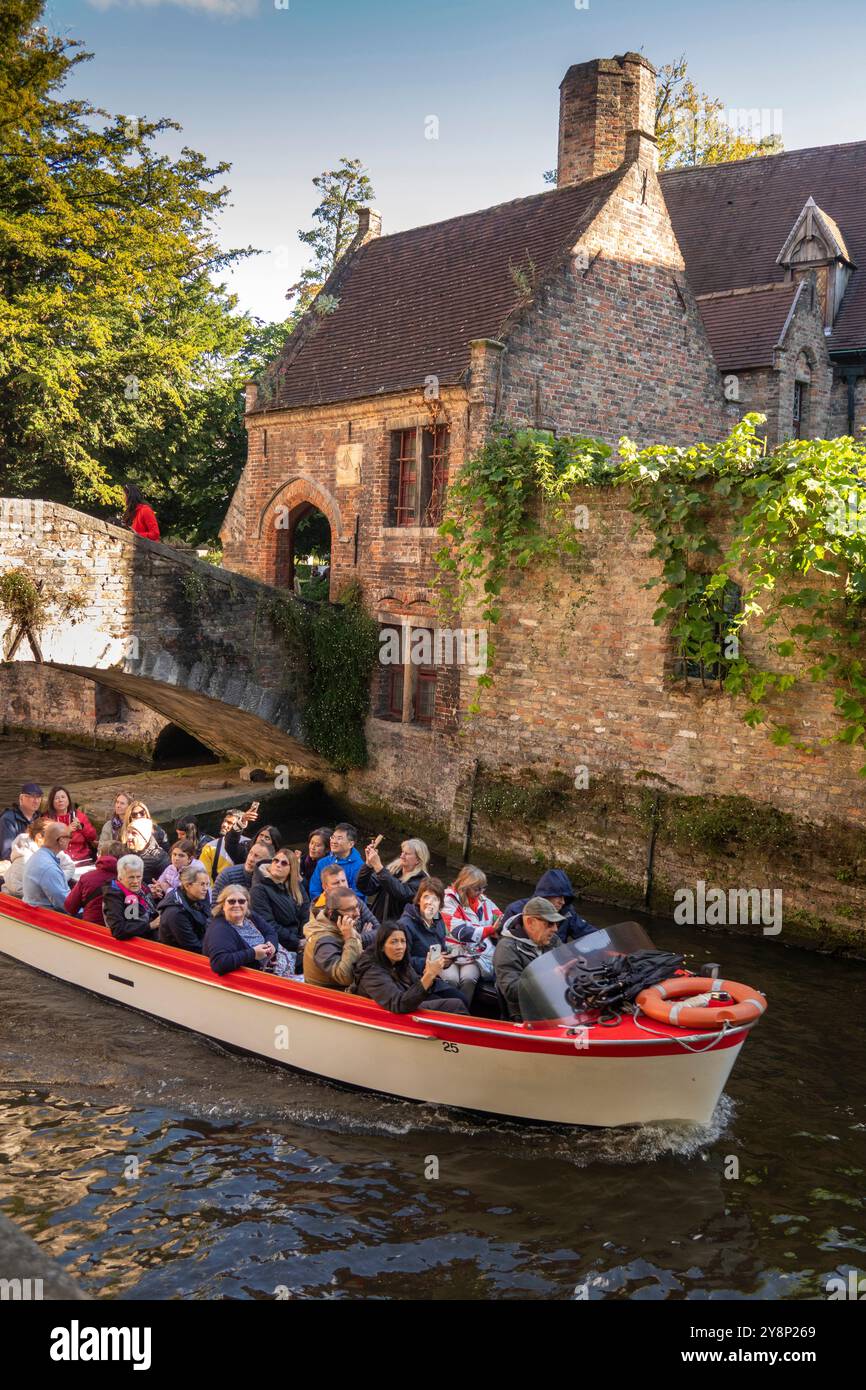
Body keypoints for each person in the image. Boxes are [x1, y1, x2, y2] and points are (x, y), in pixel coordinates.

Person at [353, 922, 469, 1015]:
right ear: (382, 946)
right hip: (394, 1012)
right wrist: (429, 975)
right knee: (455, 1005)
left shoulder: (399, 962)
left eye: (403, 941)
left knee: (457, 997)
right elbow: (398, 1004)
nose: (400, 947)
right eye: (394, 942)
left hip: (408, 1002)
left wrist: (427, 974)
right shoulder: (372, 971)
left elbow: (416, 984)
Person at [493, 896, 564, 1022]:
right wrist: (548, 977)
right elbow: (511, 991)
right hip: (527, 1014)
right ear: (530, 922)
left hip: (557, 1001)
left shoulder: (553, 940)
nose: (555, 929)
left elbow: (567, 961)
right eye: (550, 923)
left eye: (556, 923)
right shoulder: (507, 948)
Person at [441, 865, 503, 1007]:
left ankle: (463, 1012)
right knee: (451, 980)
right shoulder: (448, 901)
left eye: (483, 888)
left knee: (468, 978)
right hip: (449, 952)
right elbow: (461, 932)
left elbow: (500, 918)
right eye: (477, 889)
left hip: (474, 954)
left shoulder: (483, 901)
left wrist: (500, 928)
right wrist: (489, 930)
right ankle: (447, 1011)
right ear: (465, 886)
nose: (481, 892)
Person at [203, 884, 281, 976]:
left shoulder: (250, 916)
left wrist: (271, 945)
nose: (237, 905)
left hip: (277, 965)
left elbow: (271, 932)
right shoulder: (219, 929)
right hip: (255, 978)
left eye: (241, 901)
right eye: (231, 901)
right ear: (223, 905)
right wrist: (253, 953)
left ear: (247, 903)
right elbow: (219, 963)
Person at [500, 868, 594, 944]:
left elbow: (586, 931)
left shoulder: (567, 912)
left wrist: (606, 941)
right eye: (559, 897)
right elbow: (503, 942)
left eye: (565, 897)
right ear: (546, 895)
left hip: (556, 960)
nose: (563, 902)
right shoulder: (515, 910)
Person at [250, 849, 309, 959]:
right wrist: (297, 942)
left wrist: (306, 937)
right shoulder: (259, 889)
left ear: (292, 869)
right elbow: (268, 924)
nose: (278, 865)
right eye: (275, 860)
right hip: (277, 945)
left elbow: (306, 913)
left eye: (284, 863)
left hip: (302, 940)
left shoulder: (297, 886)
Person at [303, 888, 364, 990]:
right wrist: (350, 939)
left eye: (357, 907)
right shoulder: (323, 941)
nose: (357, 913)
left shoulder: (341, 927)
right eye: (349, 909)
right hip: (325, 999)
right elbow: (345, 977)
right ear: (332, 914)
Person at [356, 837, 430, 922]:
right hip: (378, 921)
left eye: (407, 854)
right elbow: (365, 888)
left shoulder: (422, 881)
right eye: (402, 852)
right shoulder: (392, 870)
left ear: (418, 860)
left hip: (398, 928)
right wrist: (368, 865)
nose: (402, 856)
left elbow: (401, 893)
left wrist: (379, 867)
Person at [305, 862, 380, 946]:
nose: (342, 885)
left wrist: (359, 937)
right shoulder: (319, 910)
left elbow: (378, 930)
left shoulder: (354, 900)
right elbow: (336, 942)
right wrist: (361, 936)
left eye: (343, 881)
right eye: (336, 883)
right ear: (325, 887)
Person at [2, 817, 76, 898]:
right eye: (54, 835)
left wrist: (55, 882)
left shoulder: (52, 848)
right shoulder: (25, 858)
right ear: (39, 837)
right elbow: (15, 889)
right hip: (15, 902)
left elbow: (69, 865)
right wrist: (43, 892)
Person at [397, 876, 450, 974]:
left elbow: (442, 949)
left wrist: (447, 959)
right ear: (418, 900)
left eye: (435, 899)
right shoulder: (405, 925)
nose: (430, 902)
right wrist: (428, 961)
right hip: (414, 976)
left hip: (436, 971)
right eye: (426, 897)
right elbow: (401, 961)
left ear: (440, 904)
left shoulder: (438, 920)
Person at [101, 854, 160, 940]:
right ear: (120, 877)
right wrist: (150, 925)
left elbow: (151, 910)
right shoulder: (113, 896)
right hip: (139, 943)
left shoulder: (143, 887)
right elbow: (118, 930)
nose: (136, 881)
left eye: (138, 877)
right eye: (131, 877)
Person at [198, 804, 259, 881]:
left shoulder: (249, 845)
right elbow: (204, 877)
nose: (224, 825)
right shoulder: (209, 847)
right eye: (224, 821)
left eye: (230, 823)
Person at [158, 866, 212, 953]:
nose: (206, 888)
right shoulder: (176, 913)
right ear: (187, 886)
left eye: (207, 884)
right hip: (178, 957)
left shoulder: (201, 896)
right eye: (202, 884)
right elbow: (193, 947)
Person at [64, 842, 122, 923]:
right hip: (120, 930)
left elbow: (69, 907)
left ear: (100, 855)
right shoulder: (129, 880)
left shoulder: (86, 878)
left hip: (91, 928)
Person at [22, 822, 74, 912]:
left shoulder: (39, 855)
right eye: (69, 837)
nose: (70, 840)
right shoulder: (49, 868)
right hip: (43, 918)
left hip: (34, 912)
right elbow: (66, 905)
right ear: (61, 840)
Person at [43, 785, 98, 865]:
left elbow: (93, 837)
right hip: (59, 861)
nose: (60, 800)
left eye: (63, 797)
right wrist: (66, 831)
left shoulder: (79, 816)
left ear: (68, 800)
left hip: (82, 860)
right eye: (57, 798)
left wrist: (82, 827)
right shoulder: (47, 819)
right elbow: (46, 843)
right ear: (52, 802)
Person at [308, 823, 364, 899]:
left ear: (351, 844)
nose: (334, 841)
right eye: (333, 837)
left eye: (339, 838)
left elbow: (359, 895)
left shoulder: (359, 866)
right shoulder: (323, 862)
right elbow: (314, 890)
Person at [120, 802, 169, 884]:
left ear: (144, 837)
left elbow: (169, 882)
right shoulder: (123, 850)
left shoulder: (159, 857)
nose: (129, 837)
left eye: (142, 813)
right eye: (134, 815)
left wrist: (154, 889)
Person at [0, 782, 43, 861]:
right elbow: (6, 853)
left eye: (39, 797)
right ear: (21, 798)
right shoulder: (8, 819)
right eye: (32, 797)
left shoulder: (40, 818)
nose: (36, 801)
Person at [301, 826, 332, 893]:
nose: (312, 847)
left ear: (327, 849)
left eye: (318, 845)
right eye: (311, 843)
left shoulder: (328, 867)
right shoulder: (304, 859)